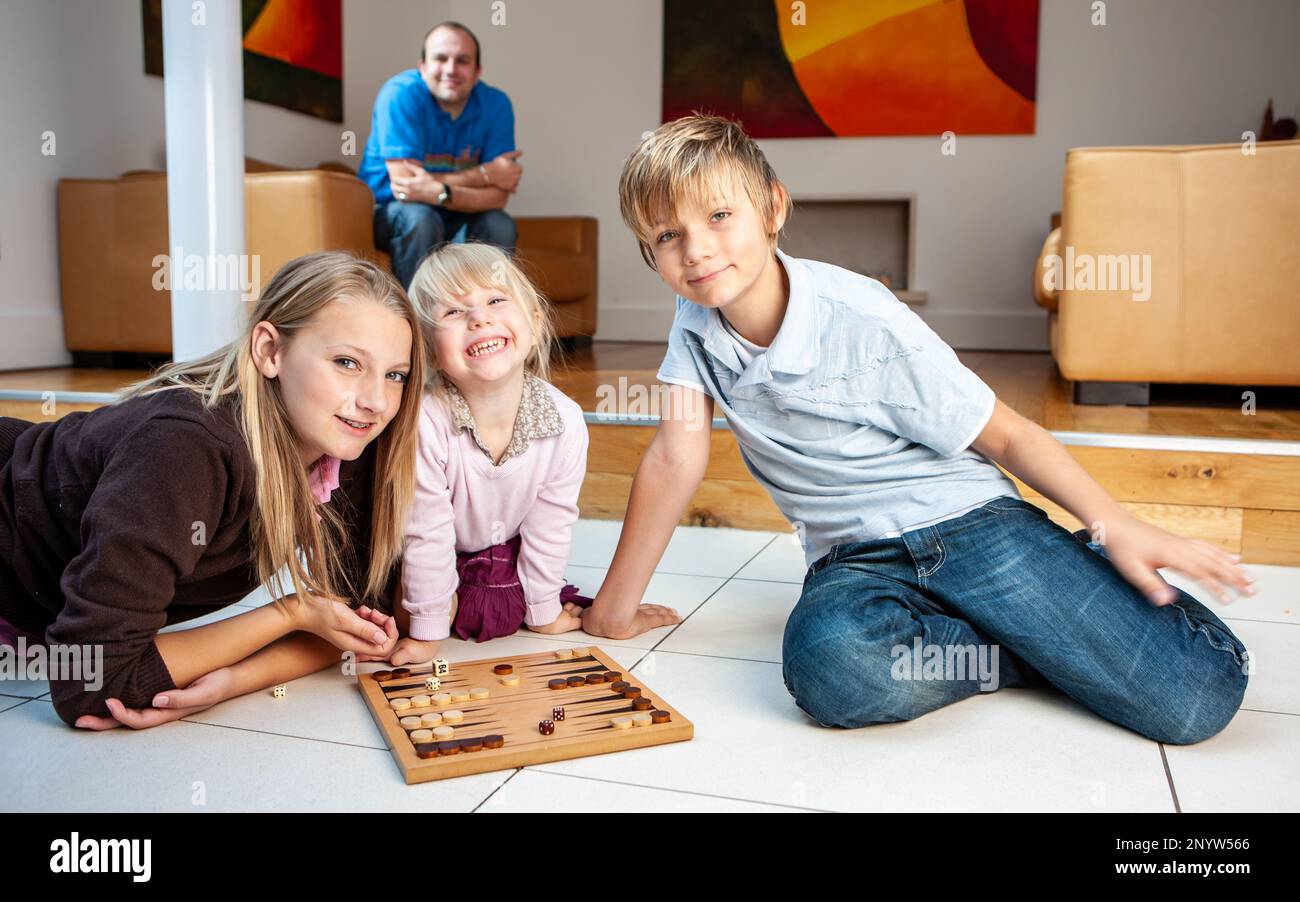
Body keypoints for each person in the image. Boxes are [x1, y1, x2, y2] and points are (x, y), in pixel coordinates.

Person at [580, 114, 1256, 745]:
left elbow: (1007, 435)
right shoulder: (694, 326)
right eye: (668, 235)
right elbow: (674, 459)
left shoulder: (862, 318)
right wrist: (614, 610)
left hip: (970, 525)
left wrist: (1116, 522)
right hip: (854, 561)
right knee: (830, 668)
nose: (696, 250)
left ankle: (1076, 574)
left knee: (1197, 697)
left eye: (720, 216)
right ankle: (1019, 650)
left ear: (774, 209)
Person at [0, 252, 426, 728]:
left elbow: (358, 624)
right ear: (269, 351)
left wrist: (233, 679)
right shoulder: (188, 449)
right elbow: (89, 684)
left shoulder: (345, 437)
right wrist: (289, 613)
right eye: (347, 362)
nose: (375, 401)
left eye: (395, 375)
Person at [379, 242, 590, 666]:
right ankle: (432, 601)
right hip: (419, 545)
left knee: (510, 601)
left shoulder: (565, 420)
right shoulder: (425, 420)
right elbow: (426, 531)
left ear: (532, 323)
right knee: (405, 606)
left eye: (496, 300)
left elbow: (550, 525)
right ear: (428, 349)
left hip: (498, 547)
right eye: (453, 313)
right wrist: (426, 632)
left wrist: (544, 611)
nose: (480, 318)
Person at [359, 21, 524, 288]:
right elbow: (406, 187)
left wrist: (440, 191)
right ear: (422, 66)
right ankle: (417, 325)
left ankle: (490, 316)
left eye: (463, 60)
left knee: (499, 223)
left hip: (450, 213)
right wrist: (485, 174)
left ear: (477, 71)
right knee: (420, 218)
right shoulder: (400, 94)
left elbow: (498, 197)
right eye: (440, 58)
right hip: (388, 210)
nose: (450, 69)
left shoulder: (496, 104)